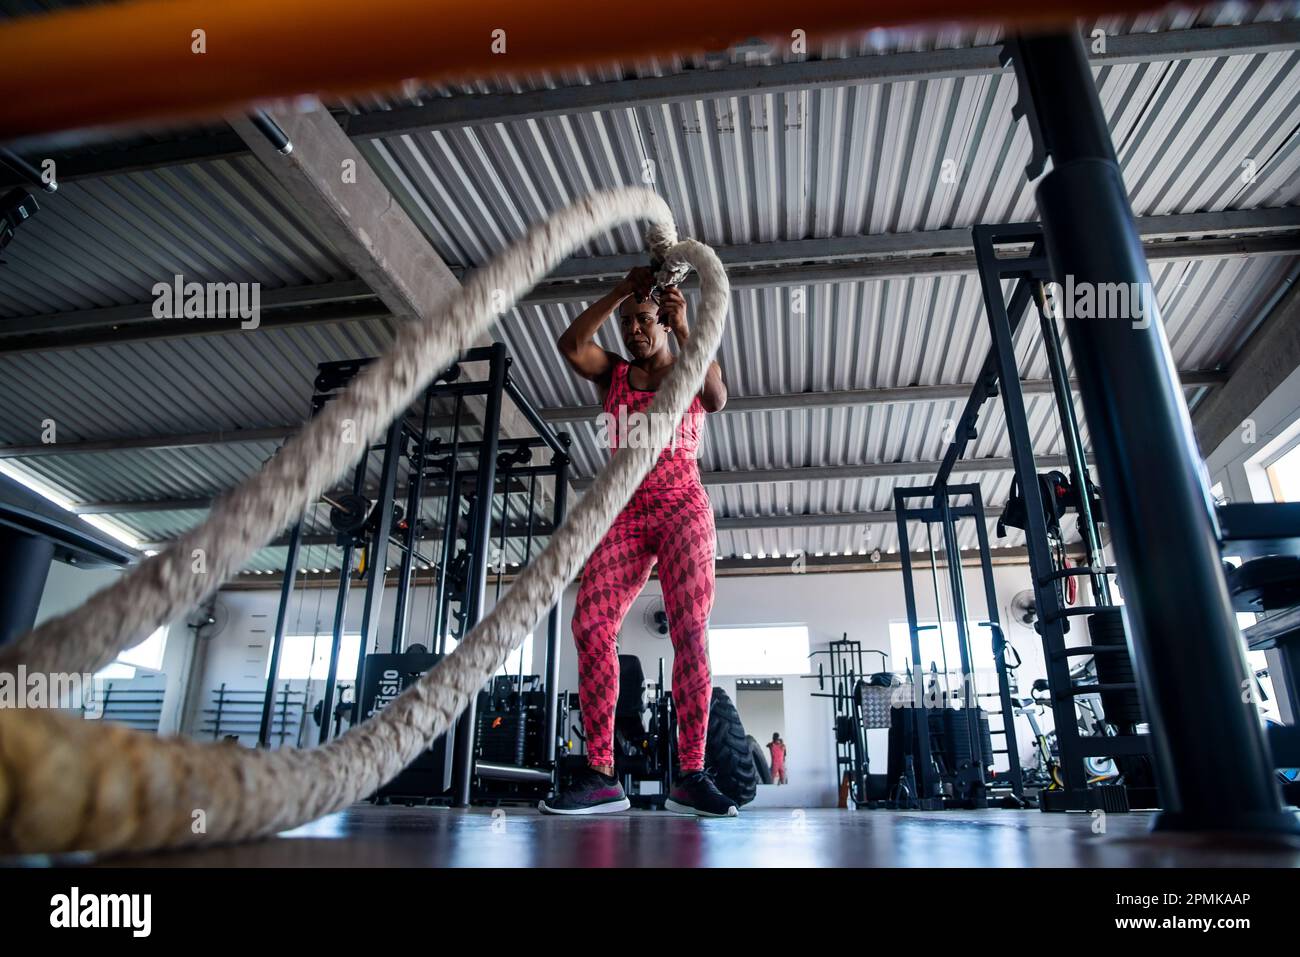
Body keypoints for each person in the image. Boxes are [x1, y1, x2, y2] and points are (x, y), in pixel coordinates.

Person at [539, 265, 731, 817]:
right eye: (628, 324)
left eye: (645, 321)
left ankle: (690, 776)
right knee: (590, 625)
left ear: (664, 322)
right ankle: (602, 776)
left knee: (690, 631)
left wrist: (687, 326)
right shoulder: (614, 375)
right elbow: (571, 345)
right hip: (623, 513)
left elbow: (717, 397)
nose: (635, 331)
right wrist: (623, 292)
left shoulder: (690, 365)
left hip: (681, 507)